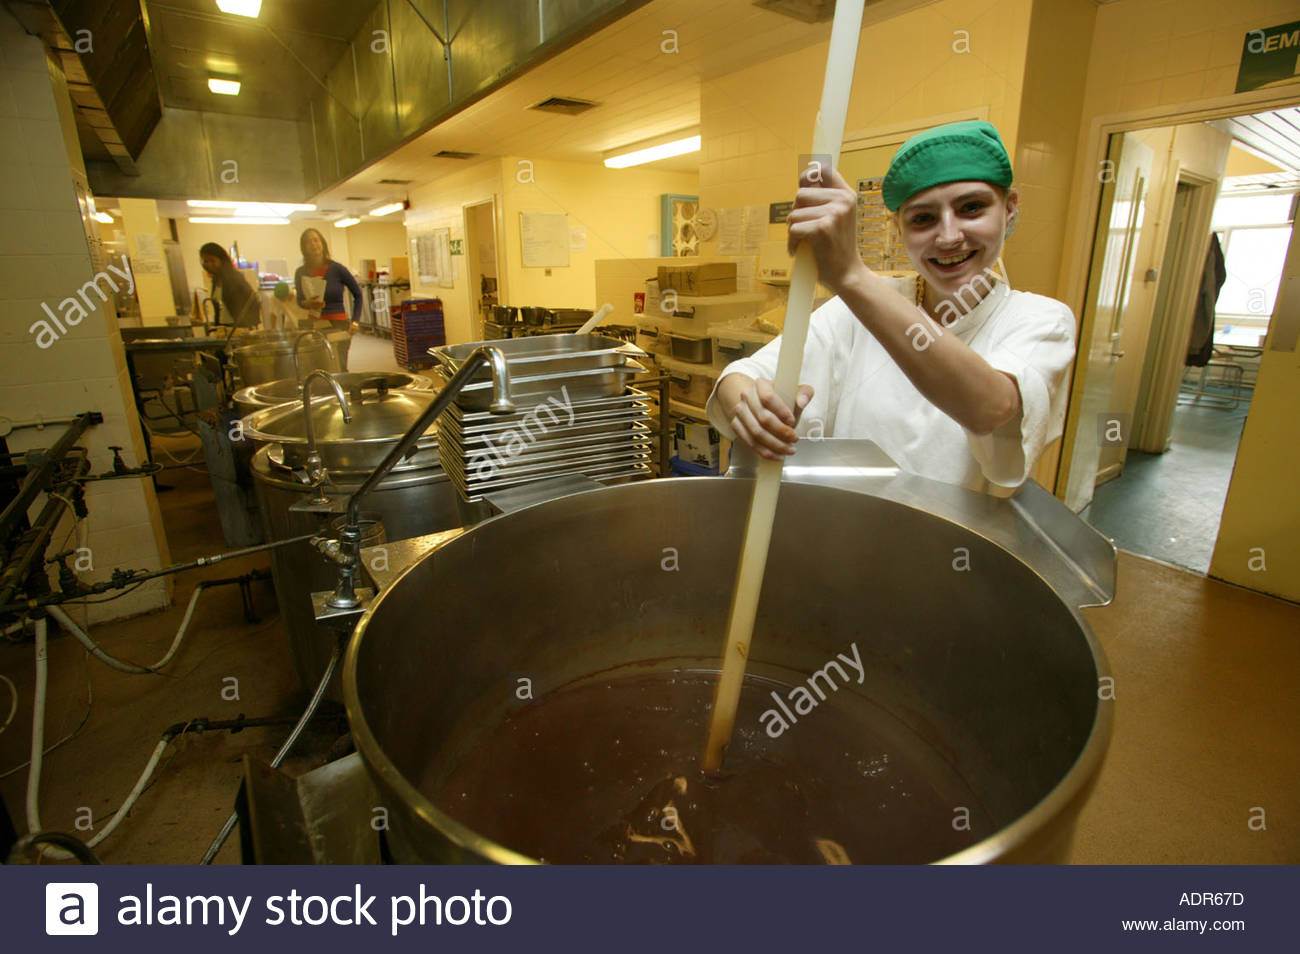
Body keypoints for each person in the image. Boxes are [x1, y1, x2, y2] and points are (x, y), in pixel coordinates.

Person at [707, 120, 1077, 497]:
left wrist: (850, 274)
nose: (949, 236)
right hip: (847, 534)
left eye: (971, 208)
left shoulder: (1040, 319)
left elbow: (990, 409)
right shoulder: (857, 310)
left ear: (1009, 209)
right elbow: (744, 374)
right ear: (898, 228)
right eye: (923, 218)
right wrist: (749, 404)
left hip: (954, 549)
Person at [294, 227, 362, 331]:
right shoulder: (300, 273)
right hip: (313, 325)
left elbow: (358, 294)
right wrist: (306, 303)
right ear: (304, 248)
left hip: (338, 325)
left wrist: (355, 321)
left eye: (316, 240)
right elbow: (299, 300)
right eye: (308, 242)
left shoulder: (337, 269)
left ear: (322, 243)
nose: (313, 244)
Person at [199, 242, 261, 329]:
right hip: (224, 328)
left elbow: (252, 301)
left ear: (222, 260)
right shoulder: (216, 280)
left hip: (239, 328)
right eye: (206, 261)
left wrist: (248, 325)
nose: (208, 264)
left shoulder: (234, 278)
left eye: (212, 260)